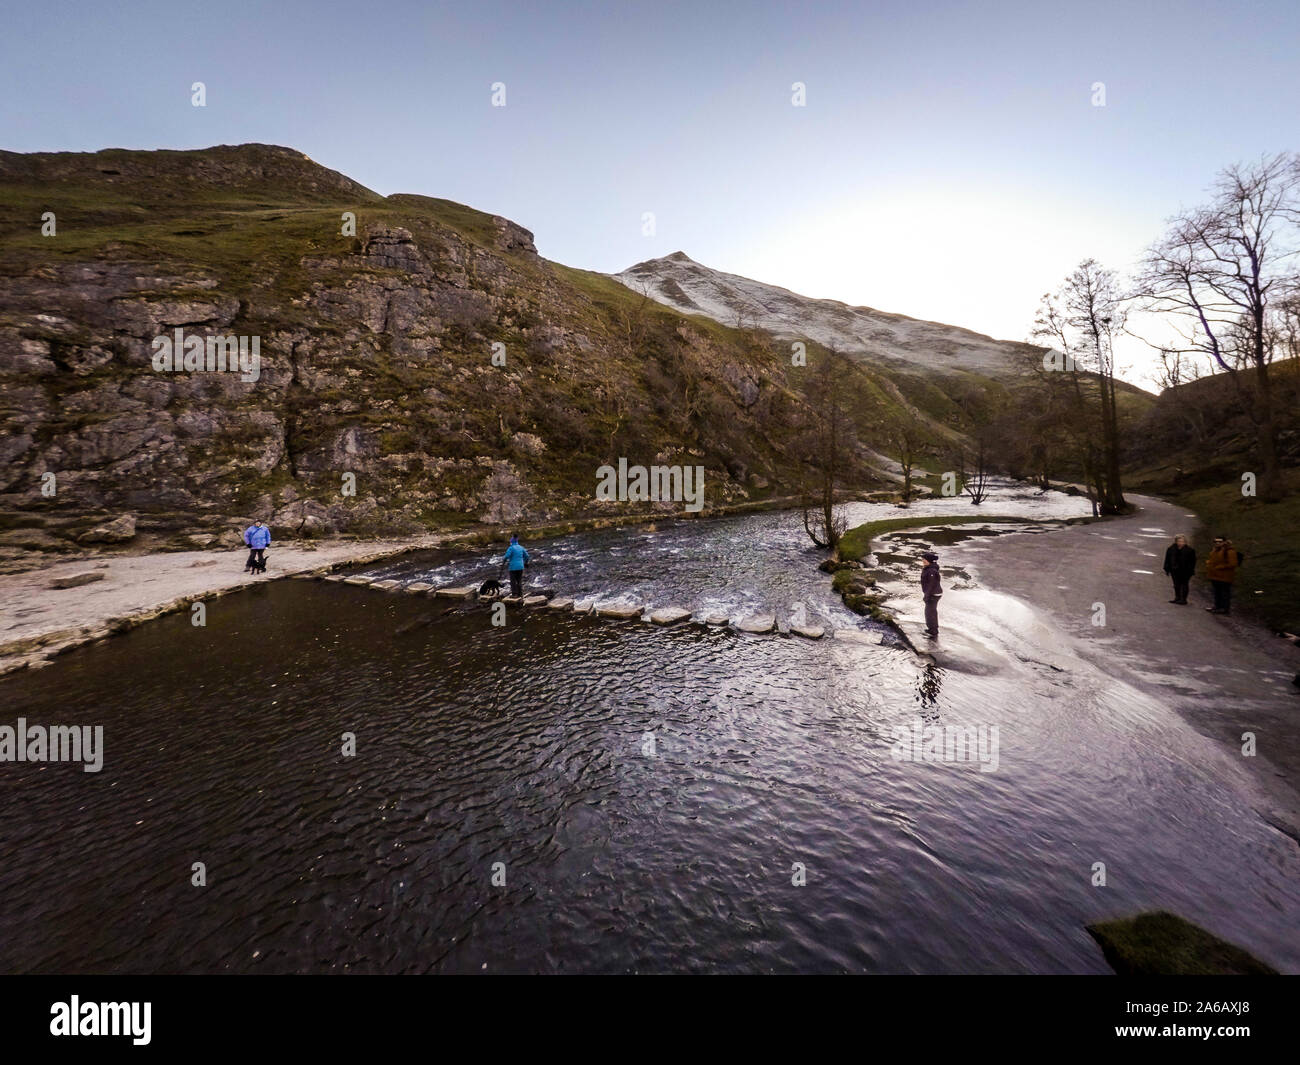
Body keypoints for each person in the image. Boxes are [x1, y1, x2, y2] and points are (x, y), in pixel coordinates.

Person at [1204, 535, 1239, 615]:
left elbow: (1233, 564)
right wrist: (1209, 564)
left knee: (1225, 593)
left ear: (1224, 542)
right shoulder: (1215, 550)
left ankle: (1224, 609)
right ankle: (1217, 606)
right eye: (1216, 542)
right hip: (1215, 575)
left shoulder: (1229, 551)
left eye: (1220, 542)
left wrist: (1221, 567)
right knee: (1217, 592)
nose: (1217, 543)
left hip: (1224, 577)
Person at [1162, 534, 1196, 605]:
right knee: (1176, 584)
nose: (1181, 543)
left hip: (1185, 571)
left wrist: (1190, 571)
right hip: (1174, 570)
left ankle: (1183, 599)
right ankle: (1177, 597)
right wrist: (1166, 568)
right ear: (1176, 541)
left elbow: (1193, 562)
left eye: (1182, 541)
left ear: (1185, 542)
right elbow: (1167, 559)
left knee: (1184, 584)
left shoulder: (1190, 550)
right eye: (1179, 541)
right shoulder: (1171, 549)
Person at [919, 551, 942, 637]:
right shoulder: (928, 568)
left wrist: (926, 596)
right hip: (933, 593)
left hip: (933, 594)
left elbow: (931, 585)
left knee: (930, 612)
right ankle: (932, 629)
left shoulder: (931, 570)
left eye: (924, 559)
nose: (922, 560)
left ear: (928, 560)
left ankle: (933, 631)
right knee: (931, 611)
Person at [502, 533, 529, 598]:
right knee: (519, 580)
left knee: (513, 581)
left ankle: (514, 594)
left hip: (513, 567)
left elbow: (507, 556)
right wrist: (526, 562)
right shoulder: (521, 547)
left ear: (511, 542)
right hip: (520, 567)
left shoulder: (511, 548)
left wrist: (504, 560)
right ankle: (520, 594)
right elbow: (527, 556)